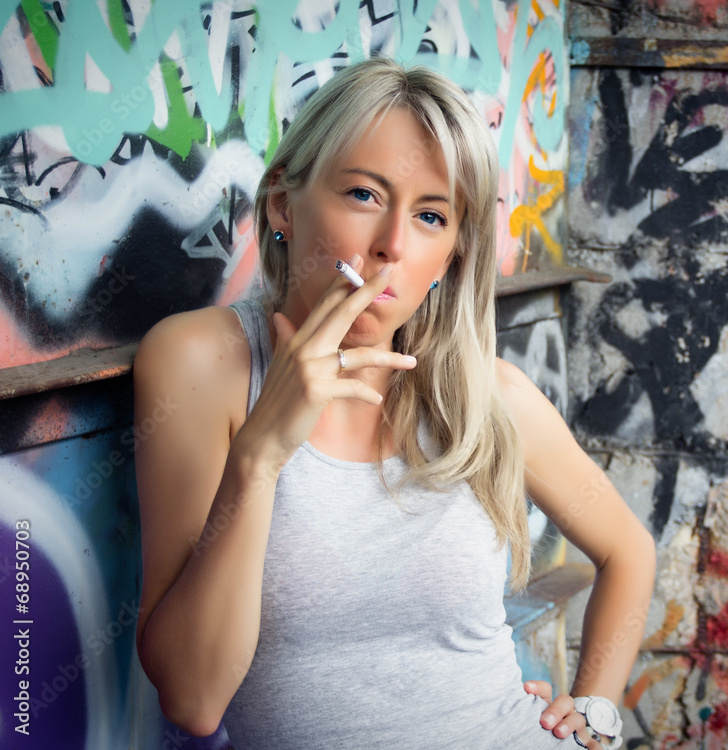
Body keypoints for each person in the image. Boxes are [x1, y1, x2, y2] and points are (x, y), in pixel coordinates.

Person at [133, 57, 656, 749]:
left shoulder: (485, 396)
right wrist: (261, 454)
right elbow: (193, 699)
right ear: (284, 203)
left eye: (432, 216)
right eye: (364, 196)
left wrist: (596, 711)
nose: (392, 246)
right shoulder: (202, 362)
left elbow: (629, 551)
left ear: (449, 257)